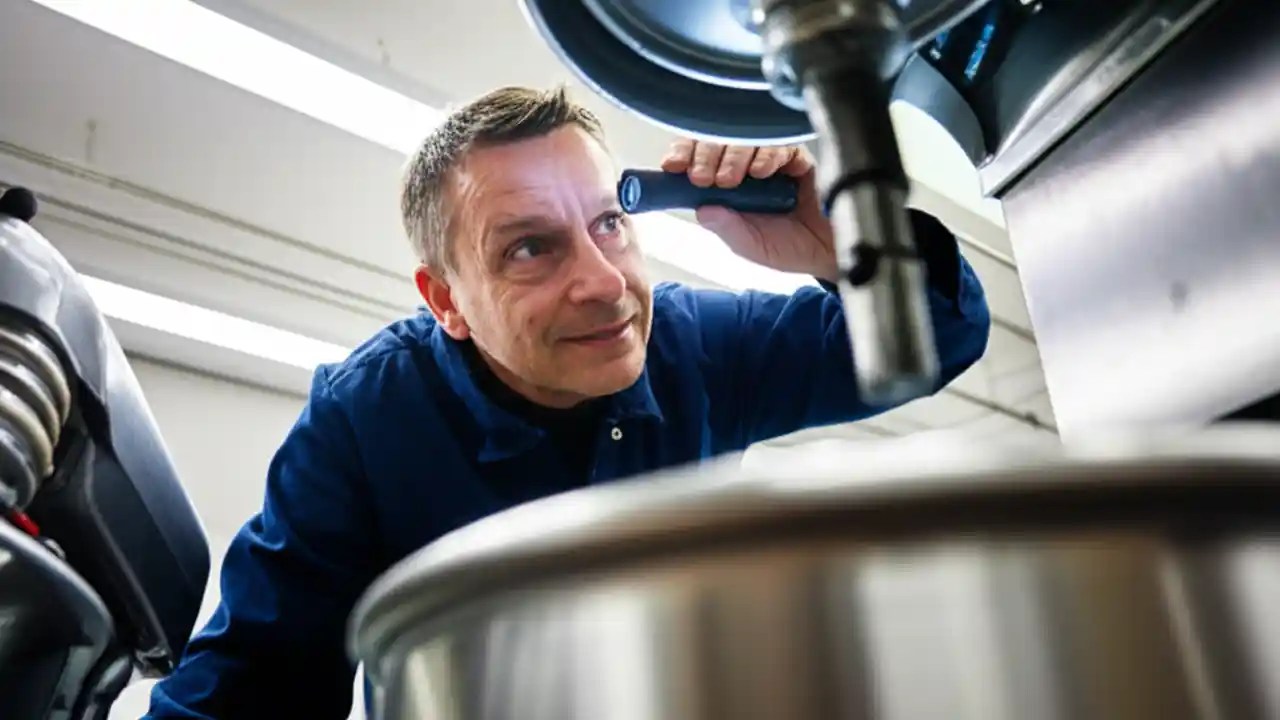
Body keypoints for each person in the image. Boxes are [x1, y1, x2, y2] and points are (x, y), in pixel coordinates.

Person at [145, 85, 990, 718]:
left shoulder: (695, 345)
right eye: (530, 249)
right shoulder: (364, 422)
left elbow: (942, 336)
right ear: (445, 301)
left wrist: (845, 247)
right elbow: (250, 686)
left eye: (608, 225)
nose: (601, 283)